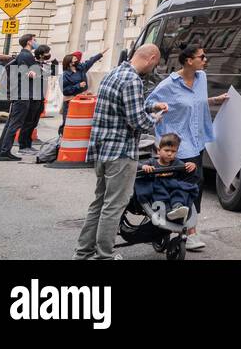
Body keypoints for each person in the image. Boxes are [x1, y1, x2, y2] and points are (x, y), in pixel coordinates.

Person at [74, 44, 168, 260]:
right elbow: (137, 121)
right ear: (151, 58)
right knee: (114, 206)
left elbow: (124, 107)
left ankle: (83, 252)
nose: (154, 68)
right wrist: (155, 119)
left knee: (99, 203)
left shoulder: (114, 73)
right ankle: (104, 255)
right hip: (121, 152)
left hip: (103, 150)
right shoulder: (133, 79)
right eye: (155, 63)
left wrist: (152, 107)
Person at [148, 42, 229, 252]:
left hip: (196, 140)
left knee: (196, 185)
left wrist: (214, 100)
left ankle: (186, 229)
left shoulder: (201, 78)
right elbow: (149, 105)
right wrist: (156, 116)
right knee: (186, 185)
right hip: (178, 144)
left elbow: (196, 101)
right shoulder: (169, 84)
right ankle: (188, 233)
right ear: (188, 61)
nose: (205, 60)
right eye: (202, 57)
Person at [136, 133, 201, 226]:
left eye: (173, 151)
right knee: (159, 192)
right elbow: (137, 165)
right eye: (166, 150)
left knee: (181, 189)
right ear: (159, 151)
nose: (170, 153)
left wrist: (192, 166)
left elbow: (187, 173)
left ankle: (177, 207)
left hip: (172, 187)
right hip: (158, 188)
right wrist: (144, 167)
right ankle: (167, 212)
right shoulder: (152, 162)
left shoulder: (177, 162)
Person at [0, 34, 40, 161]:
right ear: (29, 42)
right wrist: (33, 73)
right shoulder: (26, 55)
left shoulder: (23, 55)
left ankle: (1, 151)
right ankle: (4, 152)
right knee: (14, 124)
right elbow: (25, 72)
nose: (36, 42)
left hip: (20, 94)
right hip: (22, 95)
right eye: (34, 40)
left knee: (10, 123)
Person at [59, 51, 103, 136]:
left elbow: (91, 61)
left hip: (82, 100)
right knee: (67, 121)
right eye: (75, 59)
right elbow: (65, 91)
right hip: (70, 101)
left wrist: (100, 54)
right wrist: (78, 86)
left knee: (79, 121)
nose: (77, 60)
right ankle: (62, 138)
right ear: (70, 63)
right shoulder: (65, 75)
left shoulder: (81, 69)